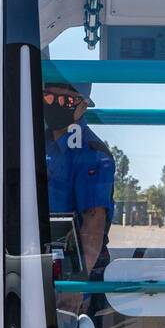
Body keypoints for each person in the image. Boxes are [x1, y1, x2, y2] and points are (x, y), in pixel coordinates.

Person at [42, 80, 115, 314]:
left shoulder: (91, 153)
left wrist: (75, 287)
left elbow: (93, 224)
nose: (55, 105)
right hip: (43, 261)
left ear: (83, 106)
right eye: (49, 98)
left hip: (78, 272)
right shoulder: (37, 144)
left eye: (65, 101)